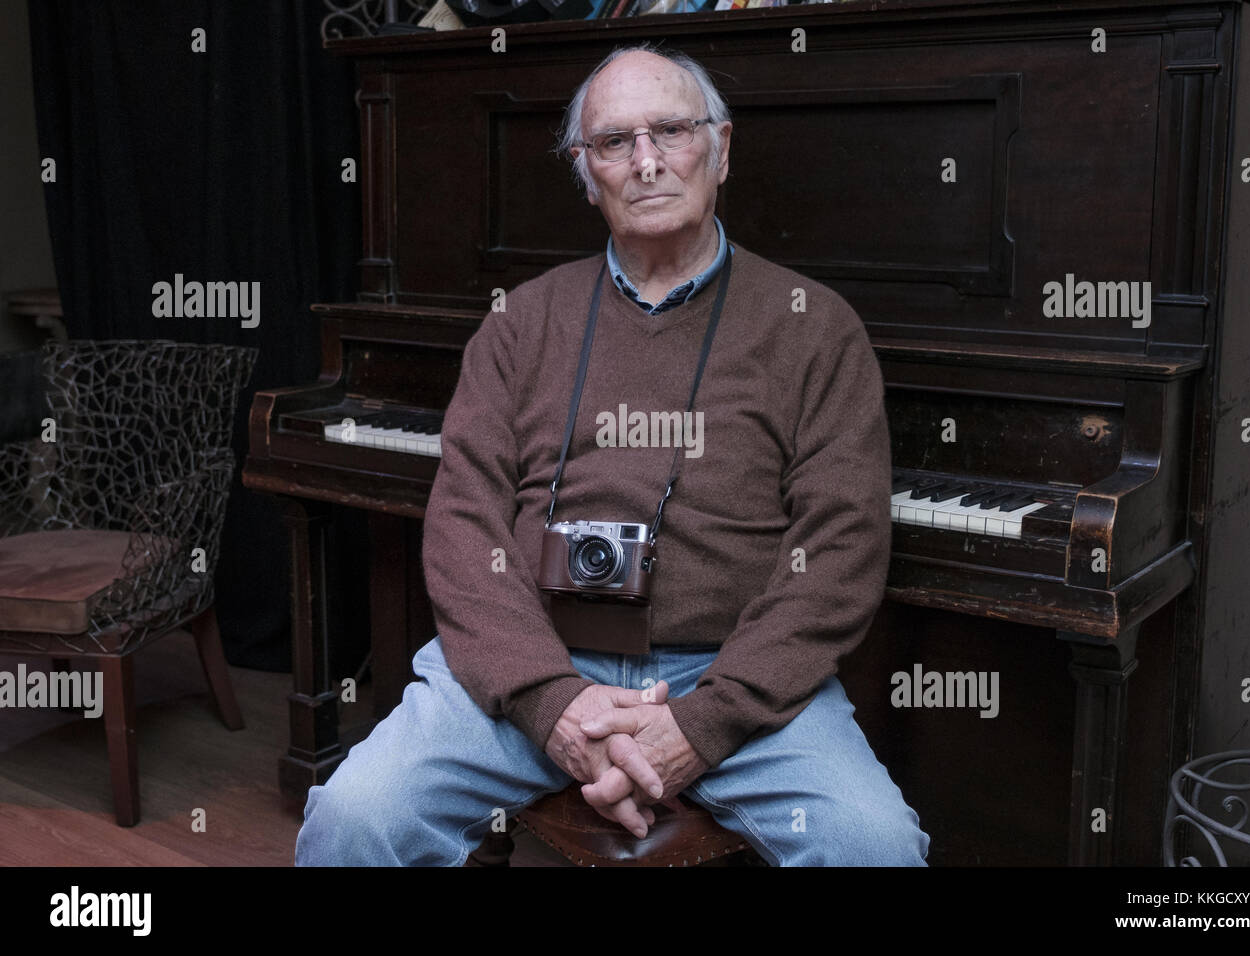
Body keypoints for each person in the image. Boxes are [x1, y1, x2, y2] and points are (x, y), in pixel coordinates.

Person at [295, 42, 929, 867]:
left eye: (670, 130)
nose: (646, 162)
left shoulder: (816, 325)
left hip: (728, 671)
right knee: (355, 818)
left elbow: (842, 551)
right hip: (534, 651)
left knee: (872, 845)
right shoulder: (521, 320)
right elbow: (461, 527)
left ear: (722, 147)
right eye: (613, 143)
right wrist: (551, 703)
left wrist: (700, 726)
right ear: (584, 172)